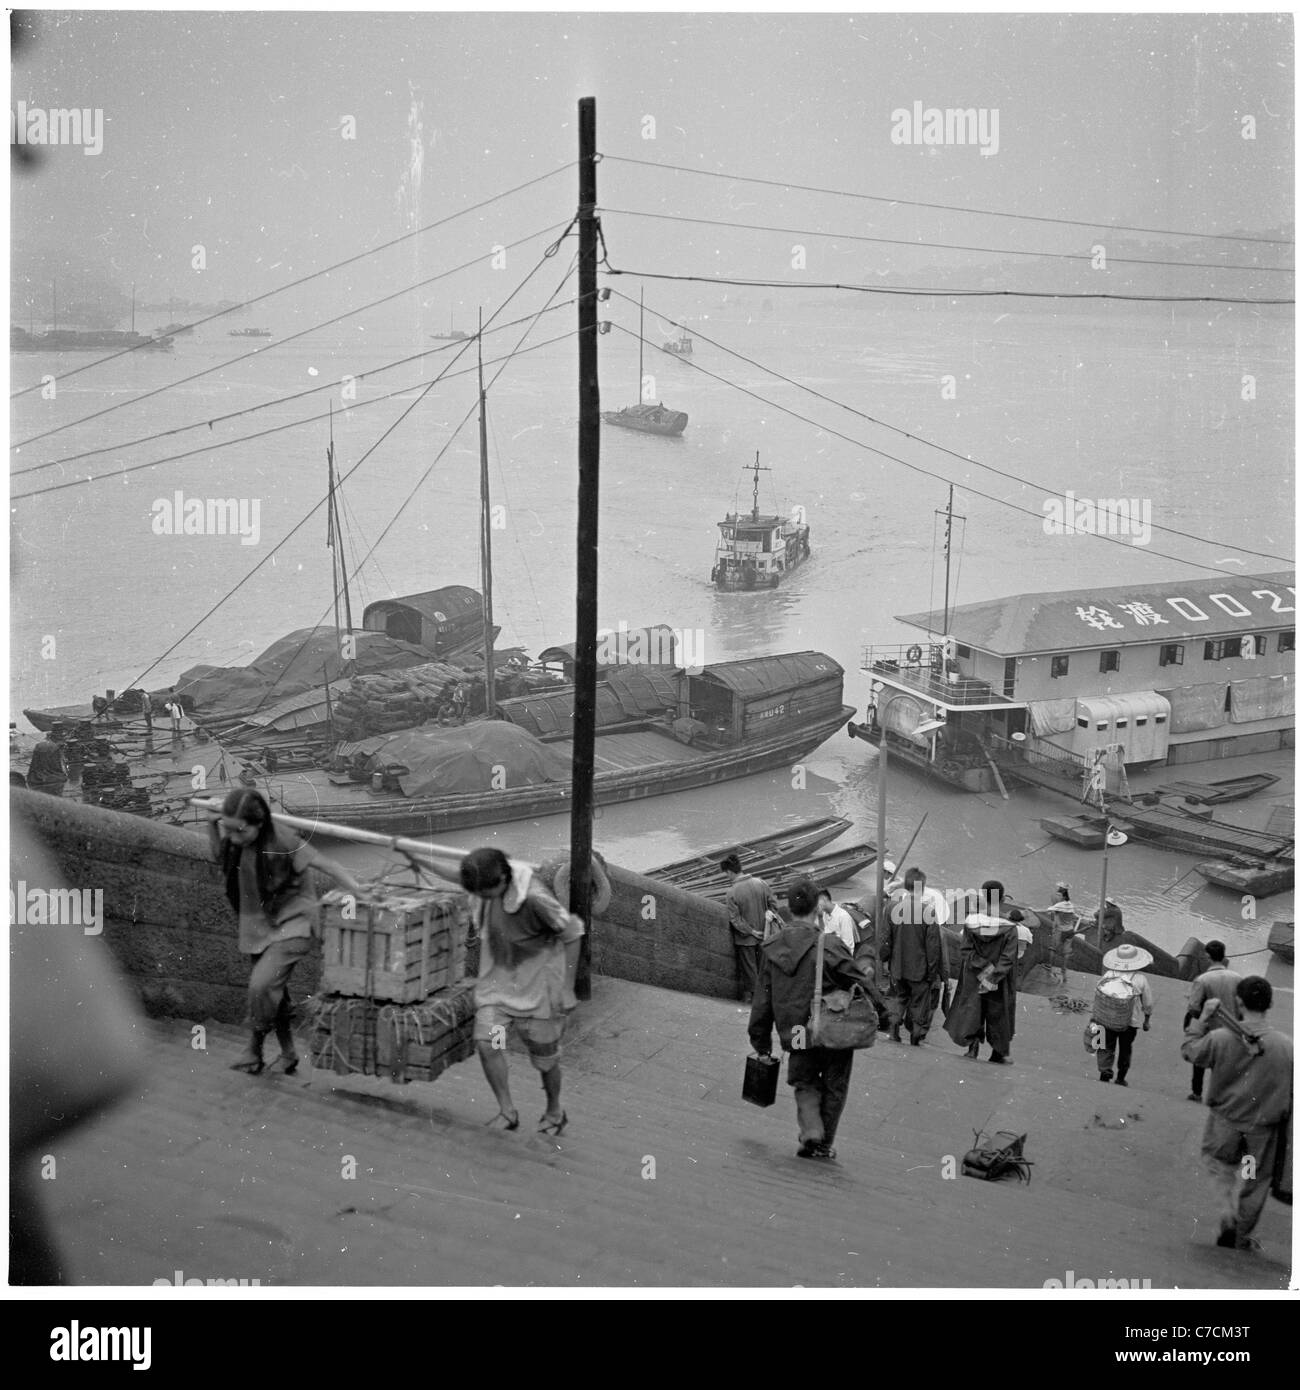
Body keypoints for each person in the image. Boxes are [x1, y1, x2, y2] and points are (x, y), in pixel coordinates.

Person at [209, 788, 361, 1075]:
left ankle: (253, 1049)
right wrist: (211, 824)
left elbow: (327, 865)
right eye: (228, 830)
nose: (233, 838)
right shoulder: (235, 840)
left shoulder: (283, 840)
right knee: (273, 990)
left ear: (259, 823)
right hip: (257, 924)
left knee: (261, 985)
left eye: (240, 831)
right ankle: (288, 1053)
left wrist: (362, 892)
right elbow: (220, 855)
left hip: (295, 920)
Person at [748, 878, 886, 1161]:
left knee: (805, 1081)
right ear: (818, 909)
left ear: (789, 908)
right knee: (835, 1084)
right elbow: (858, 977)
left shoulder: (772, 946)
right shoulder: (829, 944)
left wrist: (760, 1042)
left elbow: (762, 1000)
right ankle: (823, 1144)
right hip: (831, 1027)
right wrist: (884, 1012)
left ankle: (811, 1130)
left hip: (796, 1029)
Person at [459, 846, 584, 1135]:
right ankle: (507, 1111)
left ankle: (554, 1110)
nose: (480, 898)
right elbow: (457, 876)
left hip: (539, 995)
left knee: (544, 1062)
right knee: (489, 1044)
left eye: (485, 892)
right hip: (499, 992)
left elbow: (573, 933)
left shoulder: (536, 899)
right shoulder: (485, 887)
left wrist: (567, 988)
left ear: (503, 879)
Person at [1181, 977, 1293, 1253]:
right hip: (1261, 1133)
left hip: (1225, 1125)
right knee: (1254, 1179)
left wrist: (1203, 1018)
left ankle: (1227, 1212)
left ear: (1238, 1003)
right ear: (1270, 1004)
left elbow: (1190, 1052)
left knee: (1221, 1166)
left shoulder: (1221, 1038)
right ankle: (1240, 1234)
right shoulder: (1287, 1047)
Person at [943, 882, 1018, 1064]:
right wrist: (993, 976)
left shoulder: (971, 923)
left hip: (973, 974)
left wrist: (984, 970)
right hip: (999, 979)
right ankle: (997, 1053)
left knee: (972, 1010)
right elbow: (1008, 959)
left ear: (984, 896)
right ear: (1002, 898)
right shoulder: (1010, 928)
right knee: (999, 1013)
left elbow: (966, 951)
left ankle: (973, 1047)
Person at [879, 868, 944, 1045]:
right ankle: (915, 1036)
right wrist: (932, 971)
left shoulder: (891, 907)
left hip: (897, 966)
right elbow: (933, 946)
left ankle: (893, 1031)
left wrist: (885, 960)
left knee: (896, 997)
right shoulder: (928, 912)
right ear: (922, 887)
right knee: (919, 1003)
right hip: (920, 969)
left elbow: (885, 938)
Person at [1184, 941, 1243, 1104]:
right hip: (1231, 1027)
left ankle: (1196, 1093)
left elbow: (1194, 1008)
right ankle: (1220, 1095)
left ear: (1208, 956)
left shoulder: (1202, 979)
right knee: (1223, 1063)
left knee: (1200, 1058)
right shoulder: (1237, 978)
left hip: (1209, 1027)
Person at [1094, 943, 1154, 1086]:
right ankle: (1121, 1077)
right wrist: (1146, 1020)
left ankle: (1105, 1071)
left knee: (1106, 1045)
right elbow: (1148, 1003)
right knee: (1125, 1049)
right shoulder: (1141, 979)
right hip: (1130, 1022)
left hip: (1106, 1018)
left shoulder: (1109, 974)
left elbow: (1098, 992)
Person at [723, 852, 778, 1005]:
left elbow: (735, 919)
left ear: (729, 872)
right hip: (765, 936)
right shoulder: (761, 883)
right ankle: (766, 999)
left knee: (750, 972)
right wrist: (765, 925)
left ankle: (755, 1001)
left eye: (726, 874)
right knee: (763, 969)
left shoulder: (731, 892)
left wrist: (751, 931)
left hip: (746, 940)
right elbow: (774, 906)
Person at [816, 886, 858, 953]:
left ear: (824, 898)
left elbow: (849, 946)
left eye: (816, 902)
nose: (814, 906)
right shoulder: (825, 914)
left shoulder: (843, 916)